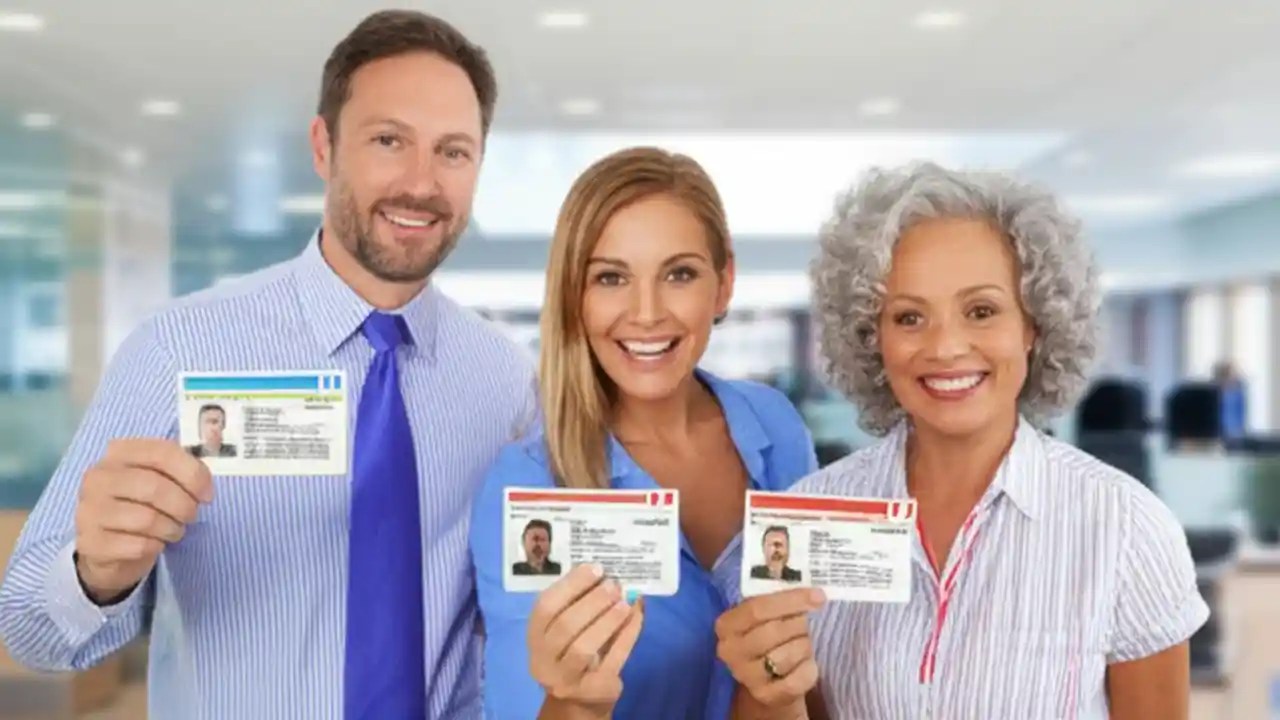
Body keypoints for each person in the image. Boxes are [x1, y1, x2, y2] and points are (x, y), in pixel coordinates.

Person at [0, 11, 535, 719]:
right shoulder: (180, 351)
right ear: (323, 147)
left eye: (453, 152)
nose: (421, 182)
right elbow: (28, 629)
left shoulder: (506, 382)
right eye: (387, 140)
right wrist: (95, 573)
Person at [715, 162, 1209, 719]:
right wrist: (771, 689)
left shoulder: (1126, 528)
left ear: (1034, 325)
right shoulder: (802, 523)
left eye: (981, 311)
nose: (946, 346)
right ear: (871, 337)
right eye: (908, 317)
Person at [469, 147, 818, 720]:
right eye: (611, 278)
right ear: (574, 299)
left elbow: (804, 680)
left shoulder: (775, 426)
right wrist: (573, 698)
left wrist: (779, 682)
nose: (647, 312)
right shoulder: (530, 483)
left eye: (679, 274)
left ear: (724, 283)